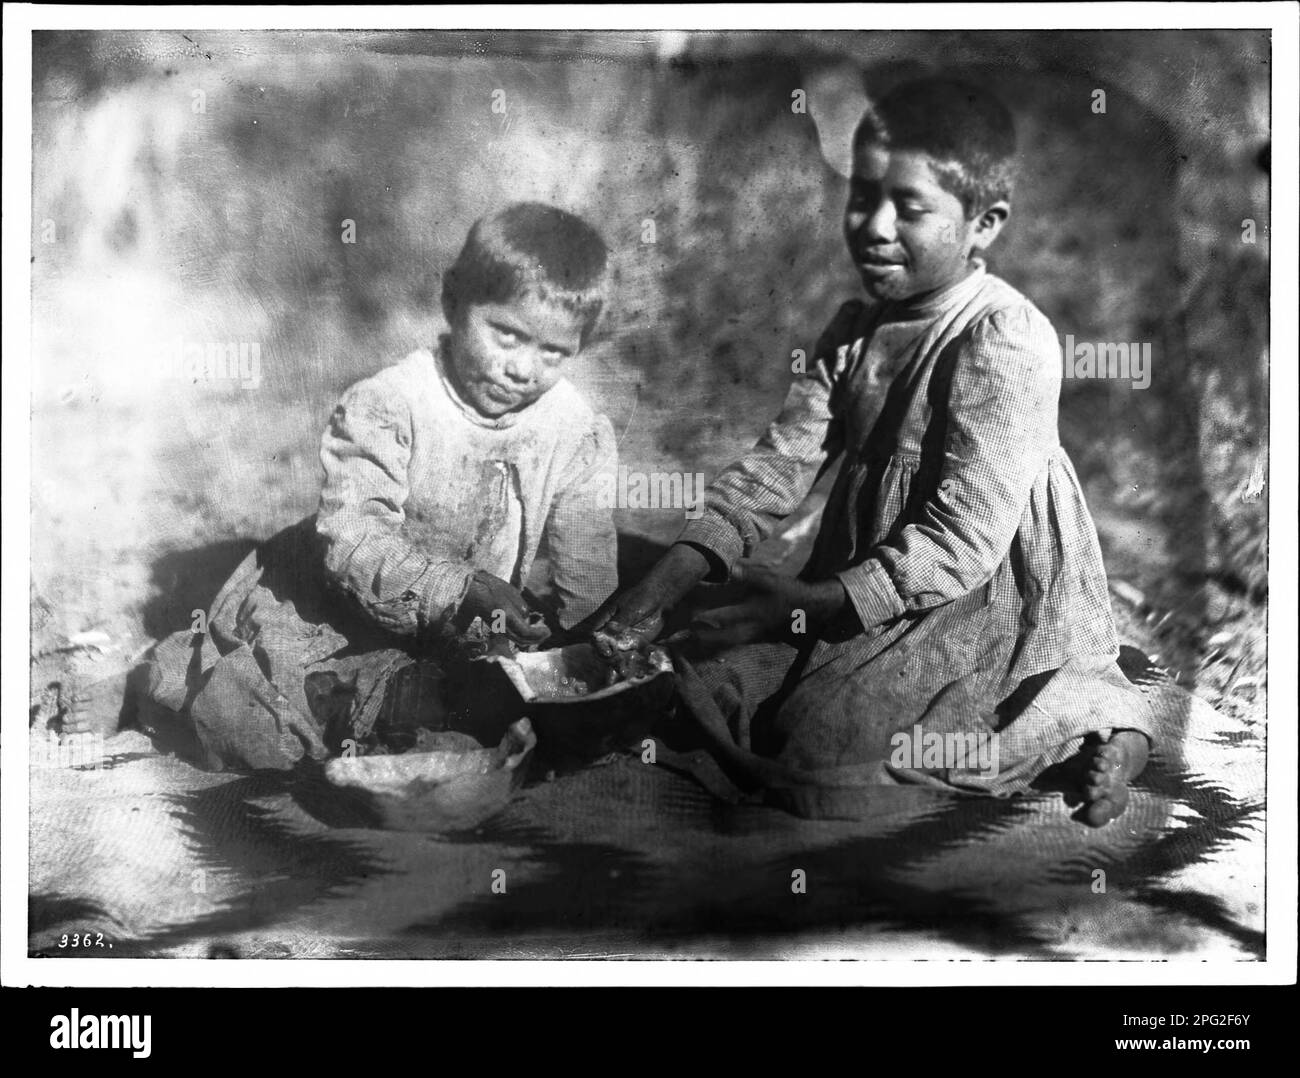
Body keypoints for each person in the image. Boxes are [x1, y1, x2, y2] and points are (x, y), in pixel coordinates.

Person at [590, 79, 1155, 826]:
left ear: (983, 224)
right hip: (861, 586)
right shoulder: (856, 329)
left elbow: (965, 540)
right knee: (699, 682)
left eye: (911, 208)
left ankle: (1095, 729)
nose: (874, 226)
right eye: (862, 196)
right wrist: (658, 587)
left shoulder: (1003, 338)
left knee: (819, 749)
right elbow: (773, 470)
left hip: (974, 603)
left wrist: (809, 604)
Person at [143, 202, 619, 770]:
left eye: (553, 352)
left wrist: (587, 654)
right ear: (453, 303)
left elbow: (586, 559)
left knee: (505, 705)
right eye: (507, 335)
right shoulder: (393, 403)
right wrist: (452, 588)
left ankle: (417, 701)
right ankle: (149, 685)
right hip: (341, 608)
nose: (522, 368)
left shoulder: (573, 427)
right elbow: (353, 539)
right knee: (271, 718)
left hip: (467, 624)